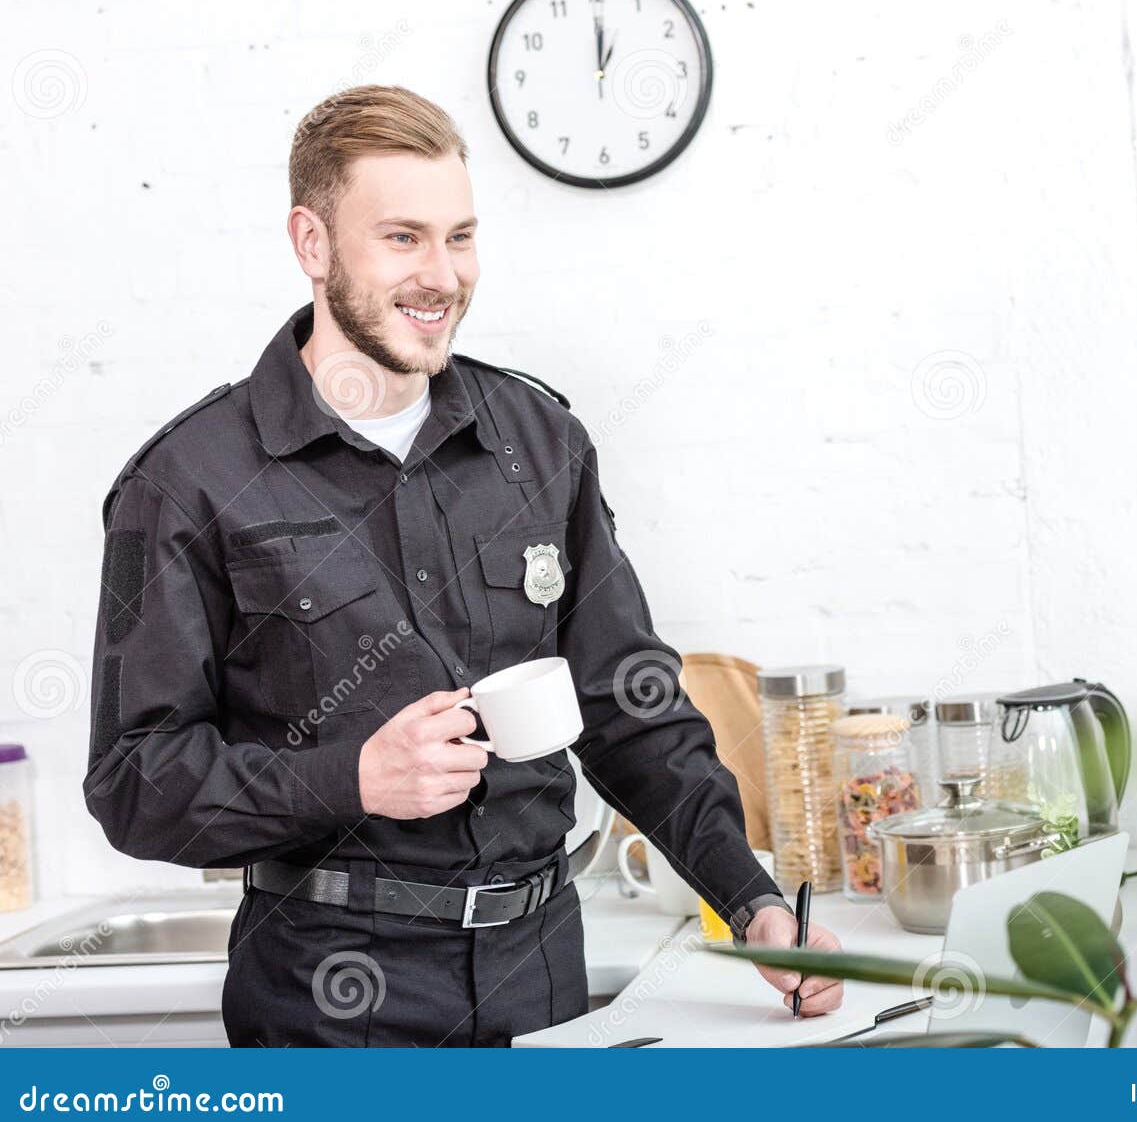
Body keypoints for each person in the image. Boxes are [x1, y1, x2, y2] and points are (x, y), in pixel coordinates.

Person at [83, 84, 843, 1046]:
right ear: (311, 243)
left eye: (460, 237)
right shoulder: (189, 480)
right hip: (330, 1008)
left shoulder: (538, 440)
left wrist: (755, 902)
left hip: (544, 986)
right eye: (402, 237)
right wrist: (349, 779)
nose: (441, 274)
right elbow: (134, 782)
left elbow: (626, 706)